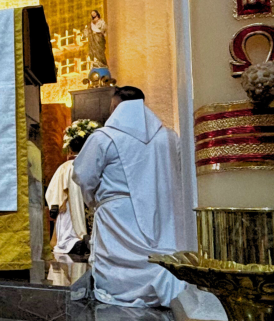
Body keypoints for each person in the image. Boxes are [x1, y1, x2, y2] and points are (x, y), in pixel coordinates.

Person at [72, 86, 189, 307]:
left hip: (118, 215)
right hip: (165, 212)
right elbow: (180, 173)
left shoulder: (104, 137)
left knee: (119, 269)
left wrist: (93, 200)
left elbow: (83, 175)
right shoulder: (169, 136)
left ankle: (120, 291)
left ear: (115, 106)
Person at [45, 121, 98, 259]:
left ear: (70, 150)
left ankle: (75, 244)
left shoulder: (65, 167)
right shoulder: (90, 165)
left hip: (69, 207)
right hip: (89, 206)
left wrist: (55, 204)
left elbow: (54, 188)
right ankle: (88, 242)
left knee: (67, 235)